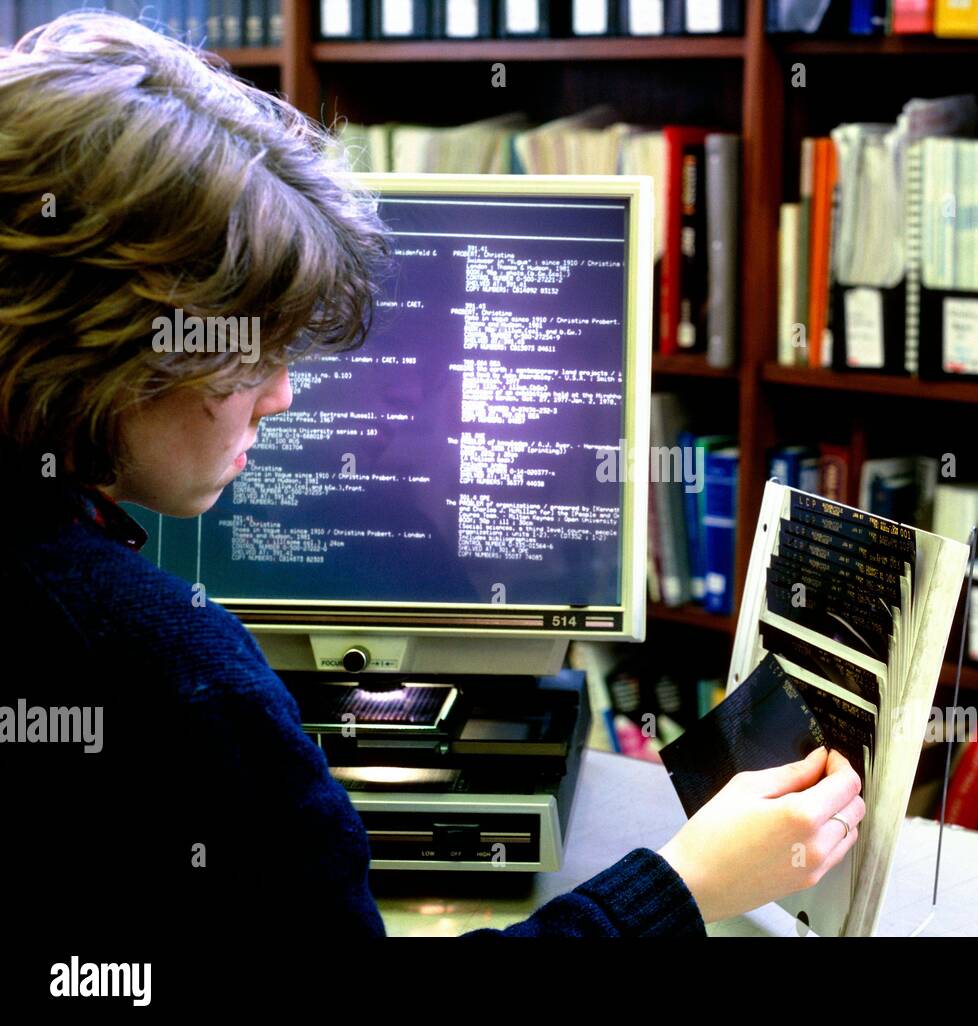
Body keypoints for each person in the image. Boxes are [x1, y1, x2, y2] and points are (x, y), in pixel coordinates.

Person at [0, 11, 865, 941]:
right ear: (120, 349)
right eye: (250, 356)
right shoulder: (175, 679)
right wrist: (685, 886)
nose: (283, 399)